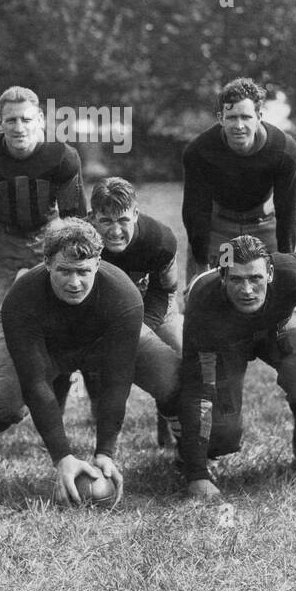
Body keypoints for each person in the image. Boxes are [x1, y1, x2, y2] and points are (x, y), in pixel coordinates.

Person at [0, 219, 148, 504]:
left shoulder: (124, 297)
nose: (74, 282)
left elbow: (117, 379)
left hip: (91, 342)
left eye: (83, 271)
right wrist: (63, 457)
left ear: (97, 263)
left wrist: (106, 451)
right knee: (8, 397)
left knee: (162, 369)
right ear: (46, 263)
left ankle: (187, 460)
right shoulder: (23, 296)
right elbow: (35, 382)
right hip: (41, 341)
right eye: (64, 271)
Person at [179, 235, 296, 501]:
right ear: (221, 276)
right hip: (227, 340)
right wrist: (196, 475)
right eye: (236, 279)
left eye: (255, 278)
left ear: (271, 273)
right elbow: (196, 388)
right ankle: (200, 453)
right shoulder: (203, 304)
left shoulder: (293, 273)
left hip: (275, 325)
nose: (248, 290)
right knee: (223, 432)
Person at [0, 86, 86, 404]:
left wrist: (79, 272)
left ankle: (62, 403)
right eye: (11, 120)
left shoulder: (62, 157)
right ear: (0, 122)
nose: (18, 127)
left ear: (40, 119)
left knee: (67, 316)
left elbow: (76, 222)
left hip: (50, 233)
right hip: (2, 236)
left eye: (26, 119)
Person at [88, 177, 182, 446]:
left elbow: (164, 291)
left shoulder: (160, 240)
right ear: (93, 218)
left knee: (180, 357)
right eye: (106, 221)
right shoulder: (79, 236)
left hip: (151, 306)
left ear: (136, 215)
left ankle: (171, 428)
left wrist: (143, 330)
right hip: (98, 309)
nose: (115, 231)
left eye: (123, 221)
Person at [181, 76, 296, 284]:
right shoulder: (200, 151)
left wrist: (286, 260)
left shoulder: (284, 150)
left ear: (259, 117)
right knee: (206, 291)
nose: (239, 125)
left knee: (285, 287)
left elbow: (289, 209)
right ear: (221, 118)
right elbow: (195, 209)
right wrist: (201, 263)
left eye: (246, 117)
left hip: (263, 224)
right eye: (232, 117)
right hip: (219, 224)